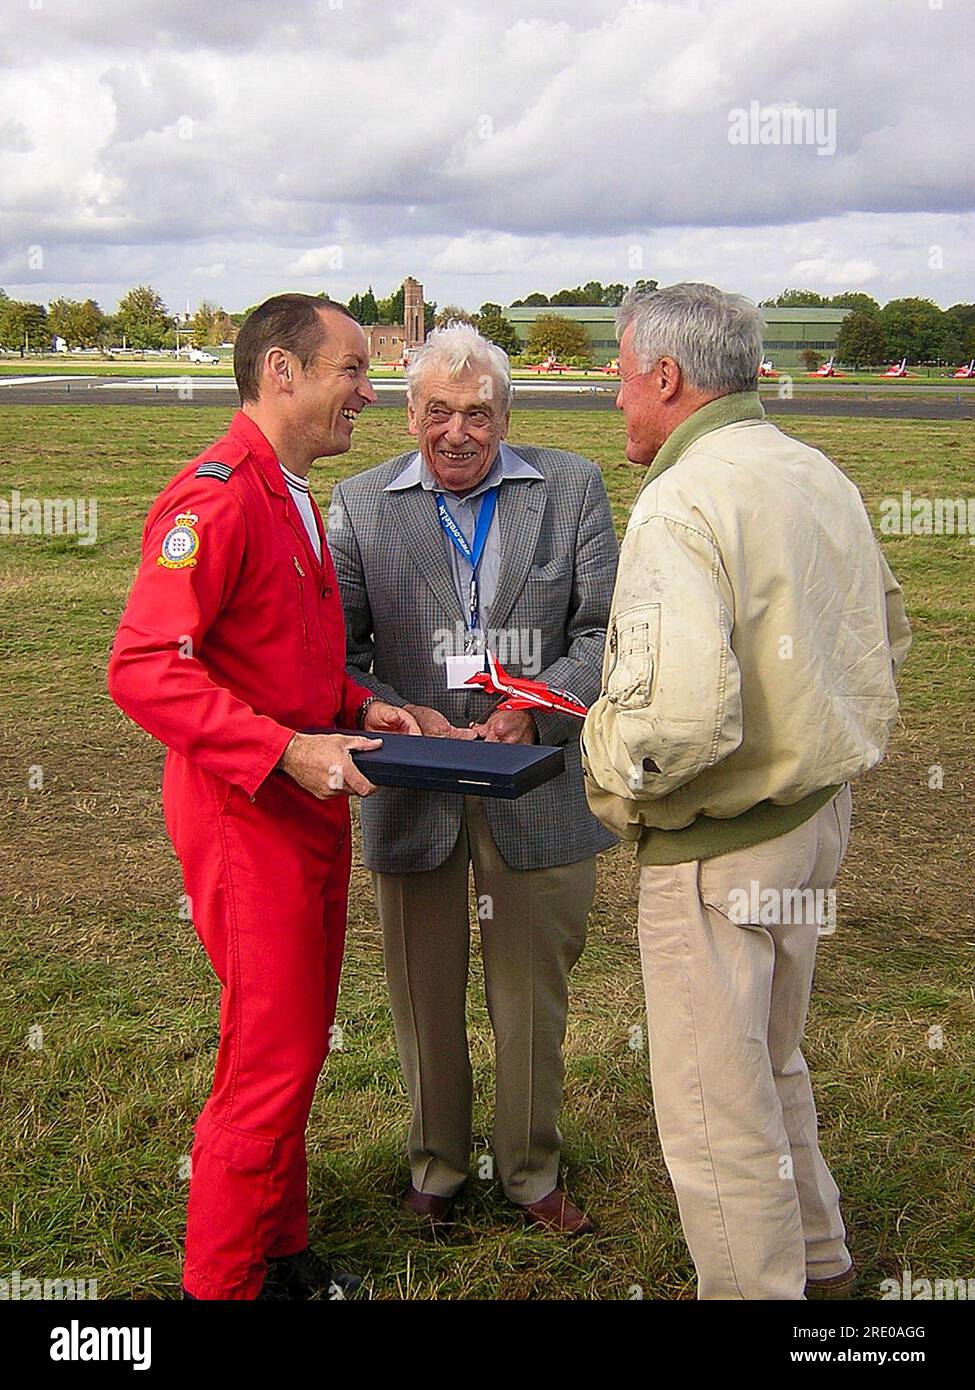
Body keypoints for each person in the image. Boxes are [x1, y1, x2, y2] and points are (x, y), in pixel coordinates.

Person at [583, 282, 911, 1301]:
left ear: (668, 378)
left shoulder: (682, 502)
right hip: (815, 818)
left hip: (717, 852)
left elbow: (676, 724)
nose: (616, 398)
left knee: (715, 1112)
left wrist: (602, 762)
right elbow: (885, 634)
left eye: (622, 378)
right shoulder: (813, 471)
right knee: (770, 1061)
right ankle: (822, 1264)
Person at [107, 294, 419, 1300]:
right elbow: (147, 668)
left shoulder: (288, 492)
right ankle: (225, 1283)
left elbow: (291, 665)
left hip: (302, 807)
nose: (372, 393)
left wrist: (373, 707)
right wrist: (286, 750)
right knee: (267, 1063)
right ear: (283, 371)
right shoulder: (219, 499)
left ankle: (282, 1251)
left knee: (294, 1046)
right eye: (354, 370)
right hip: (247, 819)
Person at [328, 322, 618, 1235]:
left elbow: (604, 630)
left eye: (479, 413)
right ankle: (437, 1166)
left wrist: (536, 703)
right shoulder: (360, 502)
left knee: (531, 993)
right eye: (439, 412)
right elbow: (340, 651)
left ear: (506, 414)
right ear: (409, 413)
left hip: (537, 780)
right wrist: (393, 711)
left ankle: (531, 1169)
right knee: (422, 989)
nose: (458, 432)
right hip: (414, 784)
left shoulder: (569, 486)